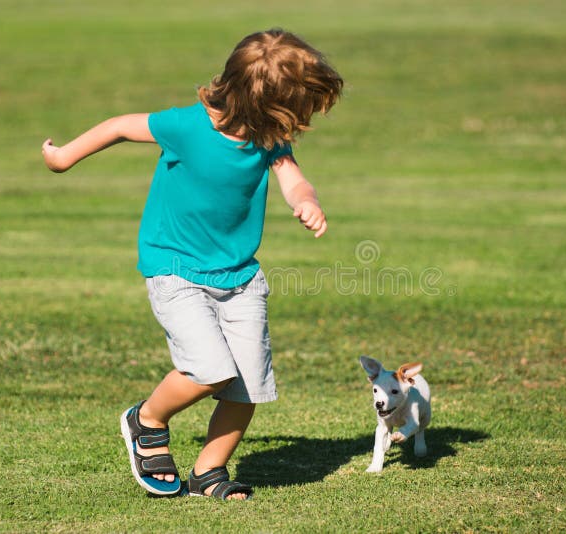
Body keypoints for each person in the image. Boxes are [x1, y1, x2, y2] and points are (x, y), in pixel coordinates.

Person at [41, 29, 343, 500]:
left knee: (247, 385)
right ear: (266, 104)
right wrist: (63, 157)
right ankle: (147, 420)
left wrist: (307, 201)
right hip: (175, 268)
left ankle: (208, 472)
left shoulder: (266, 138)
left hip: (240, 276)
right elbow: (121, 126)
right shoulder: (186, 125)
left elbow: (294, 180)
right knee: (209, 368)